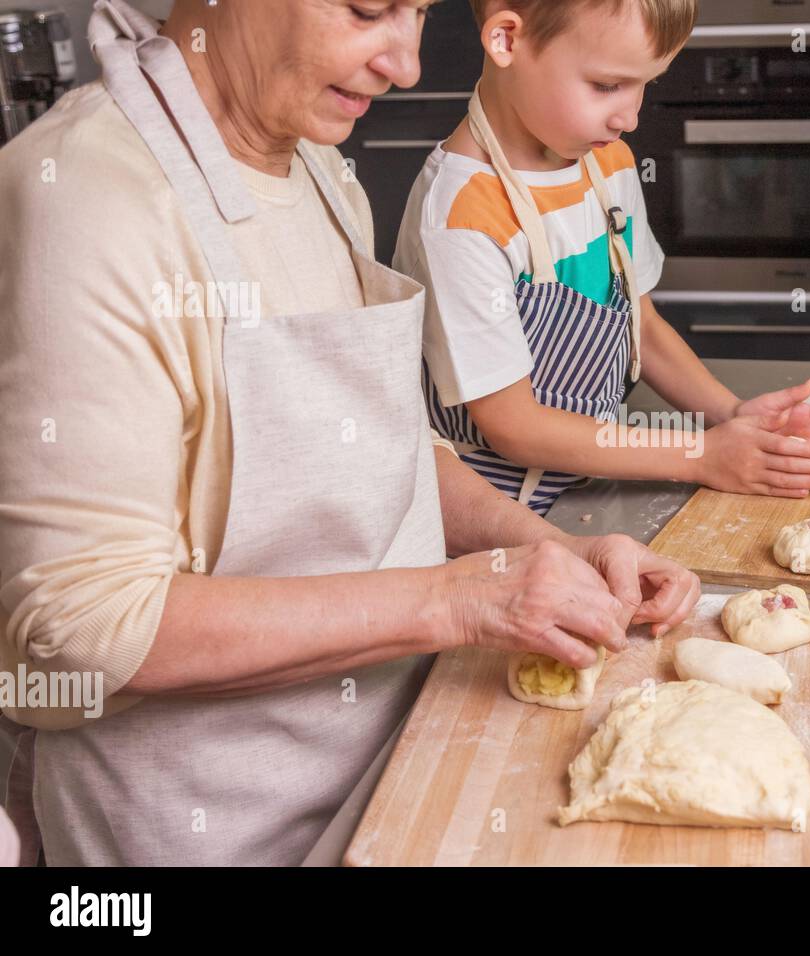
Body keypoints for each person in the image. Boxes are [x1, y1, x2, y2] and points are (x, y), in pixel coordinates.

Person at [0, 0, 698, 866]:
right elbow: (81, 626)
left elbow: (390, 450)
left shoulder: (321, 168)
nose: (405, 64)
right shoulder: (87, 198)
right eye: (369, 10)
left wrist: (547, 551)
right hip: (217, 826)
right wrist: (460, 598)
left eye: (418, 12)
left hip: (397, 768)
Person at [395, 0, 810, 515]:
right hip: (496, 517)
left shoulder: (606, 162)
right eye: (606, 85)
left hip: (593, 485)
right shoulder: (461, 214)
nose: (630, 116)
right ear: (508, 40)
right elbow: (515, 426)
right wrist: (700, 455)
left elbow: (639, 324)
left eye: (647, 83)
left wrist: (732, 416)